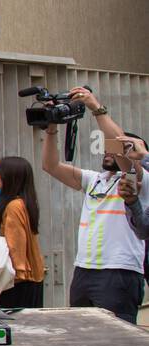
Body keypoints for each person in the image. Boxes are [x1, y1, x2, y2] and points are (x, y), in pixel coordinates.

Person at [41, 90, 145, 325]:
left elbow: (121, 146)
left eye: (114, 148)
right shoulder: (95, 179)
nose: (109, 151)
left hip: (119, 270)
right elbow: (50, 165)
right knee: (83, 337)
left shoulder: (137, 180)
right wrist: (51, 127)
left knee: (117, 340)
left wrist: (95, 107)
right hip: (84, 269)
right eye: (106, 147)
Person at [0, 156, 45, 308]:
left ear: (11, 177)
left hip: (17, 282)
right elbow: (6, 237)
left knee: (17, 327)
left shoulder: (13, 206)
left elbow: (15, 245)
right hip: (24, 280)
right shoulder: (22, 202)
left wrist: (13, 277)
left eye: (0, 171)